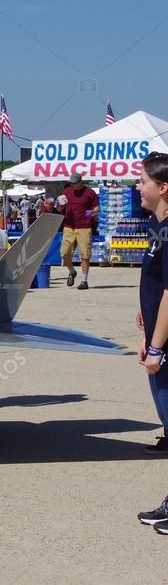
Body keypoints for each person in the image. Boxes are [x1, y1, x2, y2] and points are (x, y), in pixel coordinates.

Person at [134, 153, 168, 457]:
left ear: (163, 187)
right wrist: (145, 313)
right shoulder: (155, 224)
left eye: (143, 181)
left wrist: (156, 347)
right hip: (157, 323)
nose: (138, 187)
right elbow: (154, 279)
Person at [57, 172, 99, 290]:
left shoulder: (90, 193)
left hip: (84, 227)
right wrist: (58, 205)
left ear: (81, 182)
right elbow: (60, 209)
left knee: (85, 254)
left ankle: (84, 281)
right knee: (64, 253)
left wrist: (92, 212)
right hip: (69, 226)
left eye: (74, 183)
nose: (72, 185)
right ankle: (72, 271)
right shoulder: (67, 192)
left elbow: (97, 208)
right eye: (71, 183)